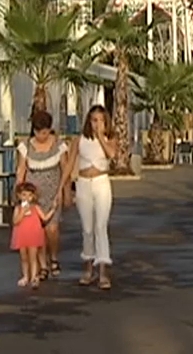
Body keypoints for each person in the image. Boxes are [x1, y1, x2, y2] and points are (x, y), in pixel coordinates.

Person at [63, 105, 117, 290]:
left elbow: (111, 155)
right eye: (94, 120)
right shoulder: (79, 140)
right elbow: (70, 164)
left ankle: (103, 271)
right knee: (87, 228)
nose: (97, 124)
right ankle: (88, 268)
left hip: (101, 183)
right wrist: (64, 188)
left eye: (101, 120)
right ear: (89, 121)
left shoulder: (110, 139)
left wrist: (101, 136)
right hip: (83, 184)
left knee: (100, 226)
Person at [15, 110, 69, 279]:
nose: (41, 136)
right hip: (33, 196)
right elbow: (21, 170)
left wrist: (65, 192)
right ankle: (42, 264)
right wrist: (19, 194)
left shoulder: (59, 146)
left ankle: (53, 257)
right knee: (37, 230)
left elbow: (65, 170)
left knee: (52, 228)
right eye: (38, 132)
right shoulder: (26, 147)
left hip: (53, 193)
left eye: (45, 132)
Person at [11, 182, 57, 289]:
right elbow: (15, 221)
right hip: (22, 235)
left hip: (34, 234)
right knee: (24, 258)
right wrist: (22, 212)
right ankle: (26, 276)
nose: (27, 198)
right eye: (24, 195)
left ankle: (34, 277)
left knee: (33, 257)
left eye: (29, 195)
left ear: (33, 196)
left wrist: (53, 209)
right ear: (19, 195)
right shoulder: (18, 208)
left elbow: (44, 218)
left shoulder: (35, 207)